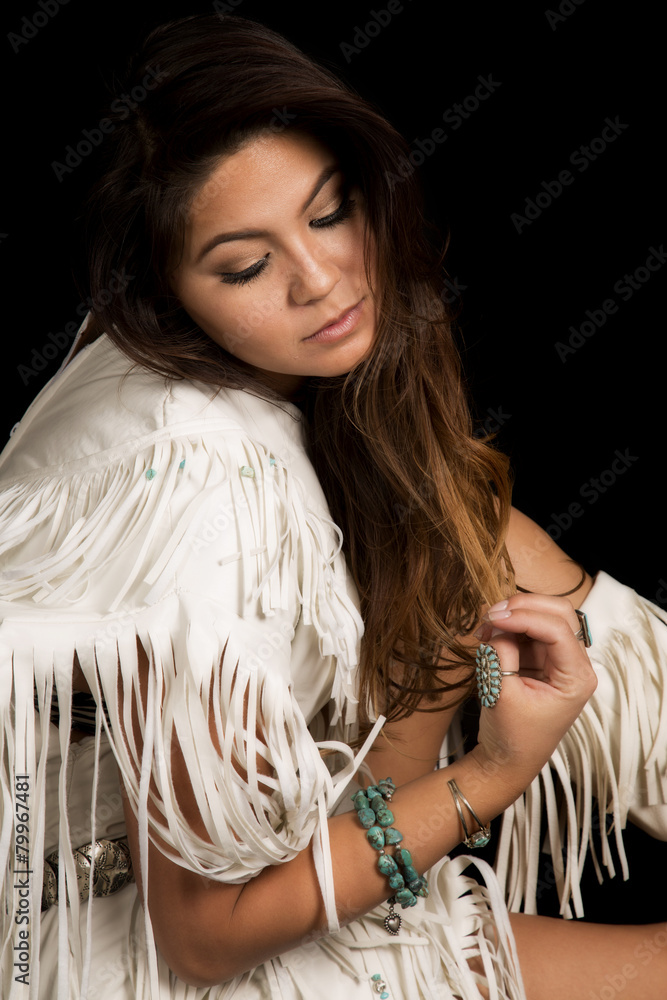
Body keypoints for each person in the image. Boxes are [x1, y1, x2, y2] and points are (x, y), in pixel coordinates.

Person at [0, 13, 665, 1000]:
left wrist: (444, 642)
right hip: (102, 952)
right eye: (244, 264)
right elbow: (204, 937)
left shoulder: (291, 392)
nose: (320, 279)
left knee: (463, 541)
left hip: (204, 892)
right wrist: (488, 775)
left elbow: (345, 795)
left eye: (329, 212)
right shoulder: (190, 483)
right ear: (160, 294)